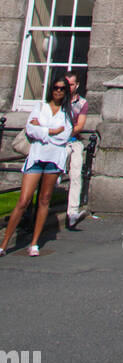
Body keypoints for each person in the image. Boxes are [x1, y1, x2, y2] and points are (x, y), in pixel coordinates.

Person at [1, 76, 74, 257]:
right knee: (24, 200)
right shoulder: (40, 108)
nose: (58, 91)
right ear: (51, 89)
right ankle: (4, 245)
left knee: (44, 199)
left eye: (62, 89)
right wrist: (51, 131)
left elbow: (64, 137)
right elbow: (30, 130)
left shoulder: (66, 113)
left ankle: (34, 243)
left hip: (53, 160)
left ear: (66, 92)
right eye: (56, 88)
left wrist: (42, 129)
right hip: (36, 158)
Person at [64, 72, 89, 229]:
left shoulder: (82, 103)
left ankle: (72, 212)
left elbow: (80, 126)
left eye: (71, 84)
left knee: (76, 173)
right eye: (66, 84)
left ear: (77, 85)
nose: (69, 87)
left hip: (73, 141)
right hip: (58, 143)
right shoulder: (58, 100)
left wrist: (62, 132)